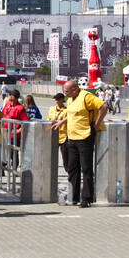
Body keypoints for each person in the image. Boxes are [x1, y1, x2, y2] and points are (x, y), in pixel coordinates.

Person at [51, 79, 106, 208]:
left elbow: (104, 106)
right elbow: (72, 114)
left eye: (67, 91)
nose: (65, 94)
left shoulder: (86, 97)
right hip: (72, 137)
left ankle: (87, 198)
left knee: (86, 168)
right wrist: (61, 122)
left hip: (85, 136)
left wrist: (97, 123)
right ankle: (72, 197)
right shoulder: (70, 99)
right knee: (72, 168)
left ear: (74, 89)